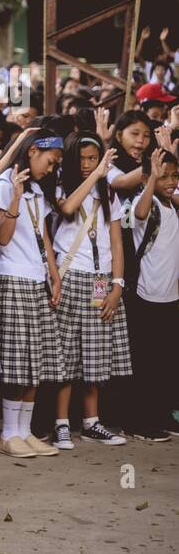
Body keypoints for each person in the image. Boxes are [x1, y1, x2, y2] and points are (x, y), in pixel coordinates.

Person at [0, 132, 67, 458]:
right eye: (50, 161)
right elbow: (2, 238)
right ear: (32, 151)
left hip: (37, 279)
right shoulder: (5, 185)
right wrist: (16, 198)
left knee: (36, 360)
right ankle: (8, 432)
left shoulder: (37, 187)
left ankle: (25, 430)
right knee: (18, 362)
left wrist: (54, 272)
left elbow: (43, 234)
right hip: (13, 278)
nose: (51, 169)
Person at [51, 132, 132, 448]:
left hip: (100, 279)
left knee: (96, 354)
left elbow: (116, 241)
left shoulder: (108, 193)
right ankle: (60, 423)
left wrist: (117, 284)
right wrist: (97, 175)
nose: (87, 165)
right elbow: (69, 208)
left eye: (93, 159)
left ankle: (91, 422)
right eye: (81, 158)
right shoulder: (59, 187)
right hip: (70, 275)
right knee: (65, 353)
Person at [120, 148, 179, 441]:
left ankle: (159, 416)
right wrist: (153, 181)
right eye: (162, 175)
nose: (169, 181)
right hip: (145, 296)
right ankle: (137, 422)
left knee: (164, 363)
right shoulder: (145, 203)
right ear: (144, 178)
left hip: (170, 297)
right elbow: (140, 214)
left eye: (173, 175)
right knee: (143, 364)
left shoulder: (173, 205)